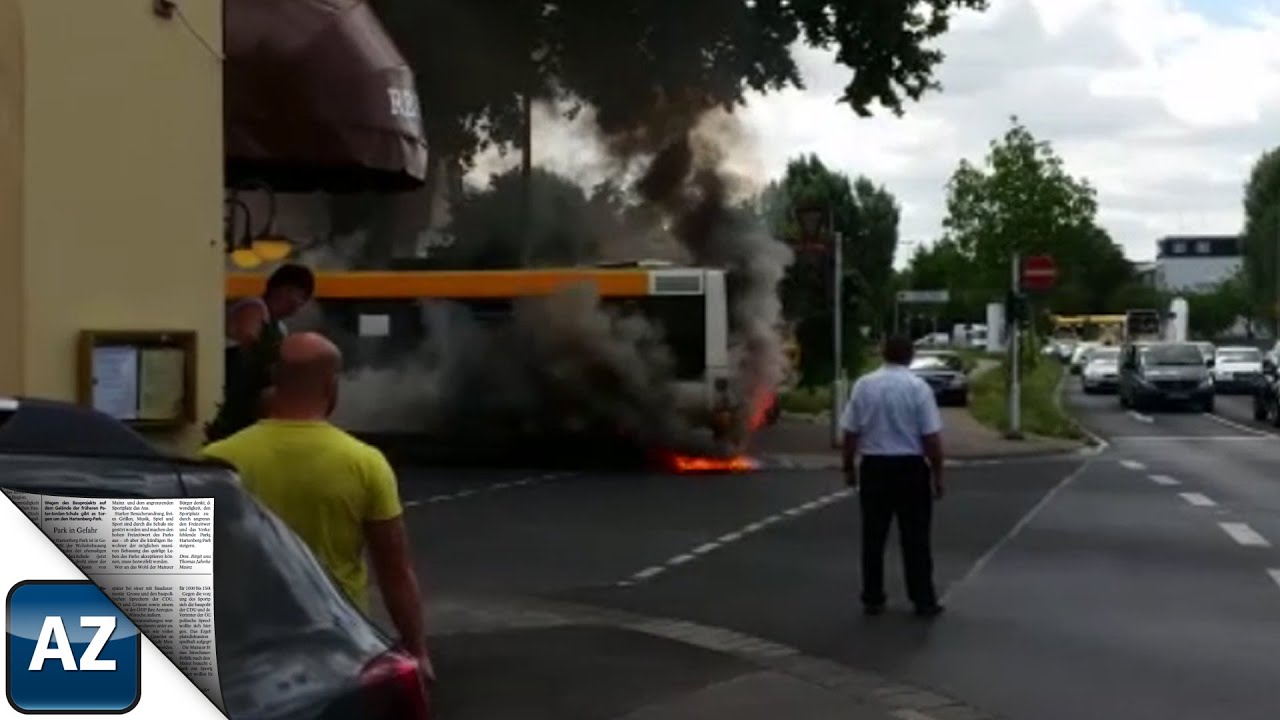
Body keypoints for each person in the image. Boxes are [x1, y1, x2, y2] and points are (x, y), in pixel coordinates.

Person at [200, 332, 433, 676]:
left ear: (275, 381)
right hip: (340, 639)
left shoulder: (217, 460)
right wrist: (417, 650)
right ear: (331, 385)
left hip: (241, 642)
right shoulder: (365, 463)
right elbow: (394, 571)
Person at [839, 336, 945, 618]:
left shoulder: (864, 385)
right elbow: (930, 437)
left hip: (874, 468)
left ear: (883, 354)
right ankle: (923, 599)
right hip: (910, 469)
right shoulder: (918, 388)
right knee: (916, 538)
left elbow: (850, 432)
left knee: (873, 537)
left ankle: (873, 596)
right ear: (910, 357)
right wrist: (937, 474)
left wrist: (849, 466)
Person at [206, 263, 315, 441]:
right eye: (300, 296)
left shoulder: (280, 328)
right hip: (234, 393)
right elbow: (248, 342)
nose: (300, 304)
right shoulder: (253, 308)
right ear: (282, 289)